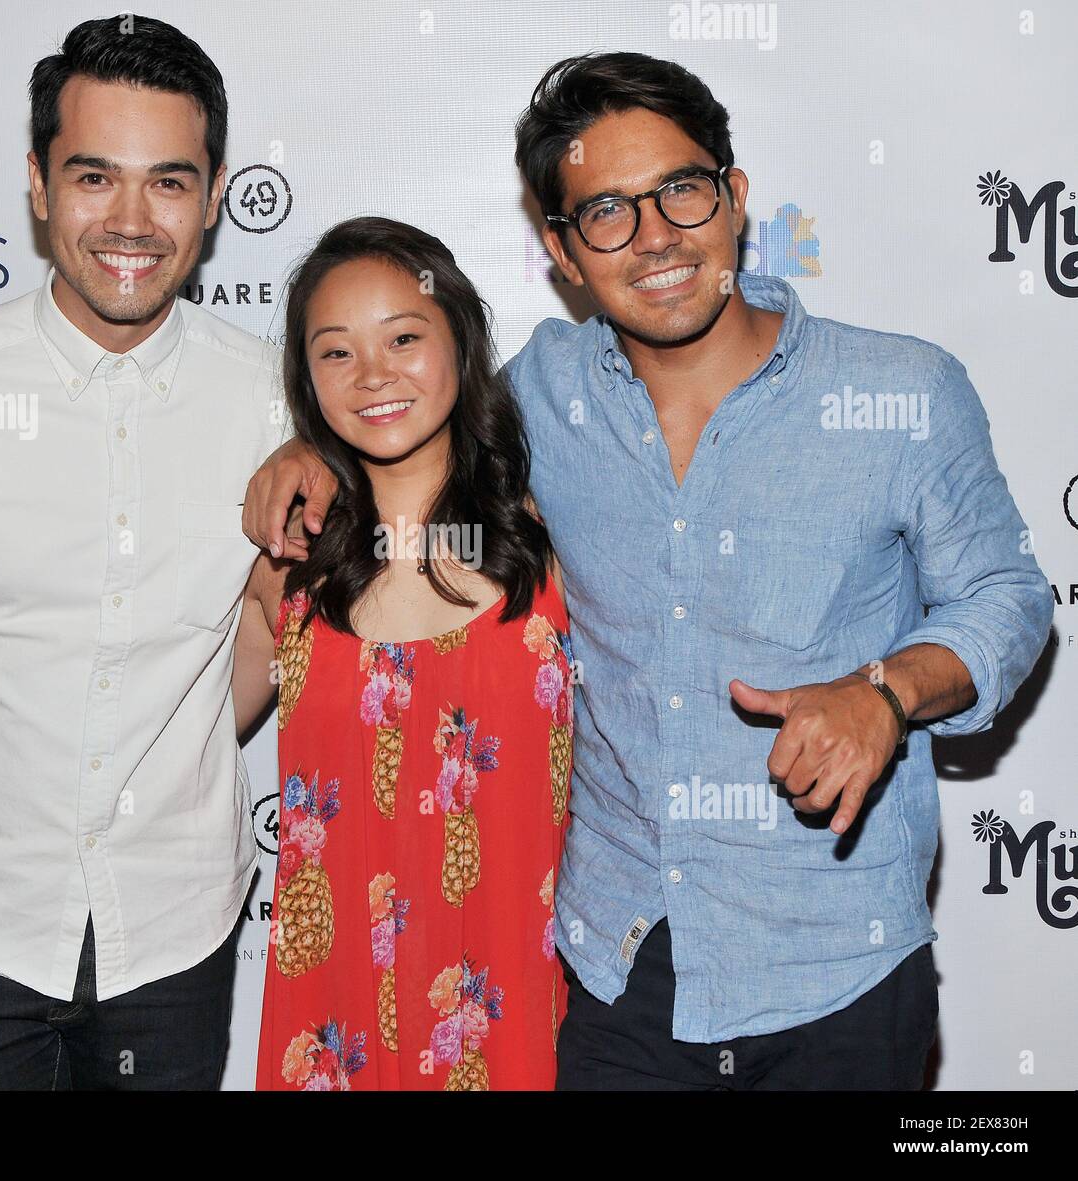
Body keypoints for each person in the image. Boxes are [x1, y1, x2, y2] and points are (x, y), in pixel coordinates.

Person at [241, 52, 1054, 1090]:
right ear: (563, 251)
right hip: (616, 980)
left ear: (734, 196)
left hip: (835, 972)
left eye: (680, 189)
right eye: (607, 211)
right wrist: (306, 453)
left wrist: (886, 689)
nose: (656, 236)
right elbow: (406, 405)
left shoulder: (900, 392)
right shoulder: (544, 392)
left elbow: (1010, 595)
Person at [0, 14, 285, 1089]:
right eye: (93, 176)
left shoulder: (272, 397)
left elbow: (286, 624)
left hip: (179, 928)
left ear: (215, 198)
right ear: (36, 184)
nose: (130, 220)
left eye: (169, 182)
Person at [233, 217, 571, 1090]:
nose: (374, 375)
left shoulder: (556, 542)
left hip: (524, 1016)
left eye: (405, 338)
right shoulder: (286, 573)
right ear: (306, 380)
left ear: (460, 338)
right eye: (336, 352)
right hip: (336, 1026)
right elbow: (171, 741)